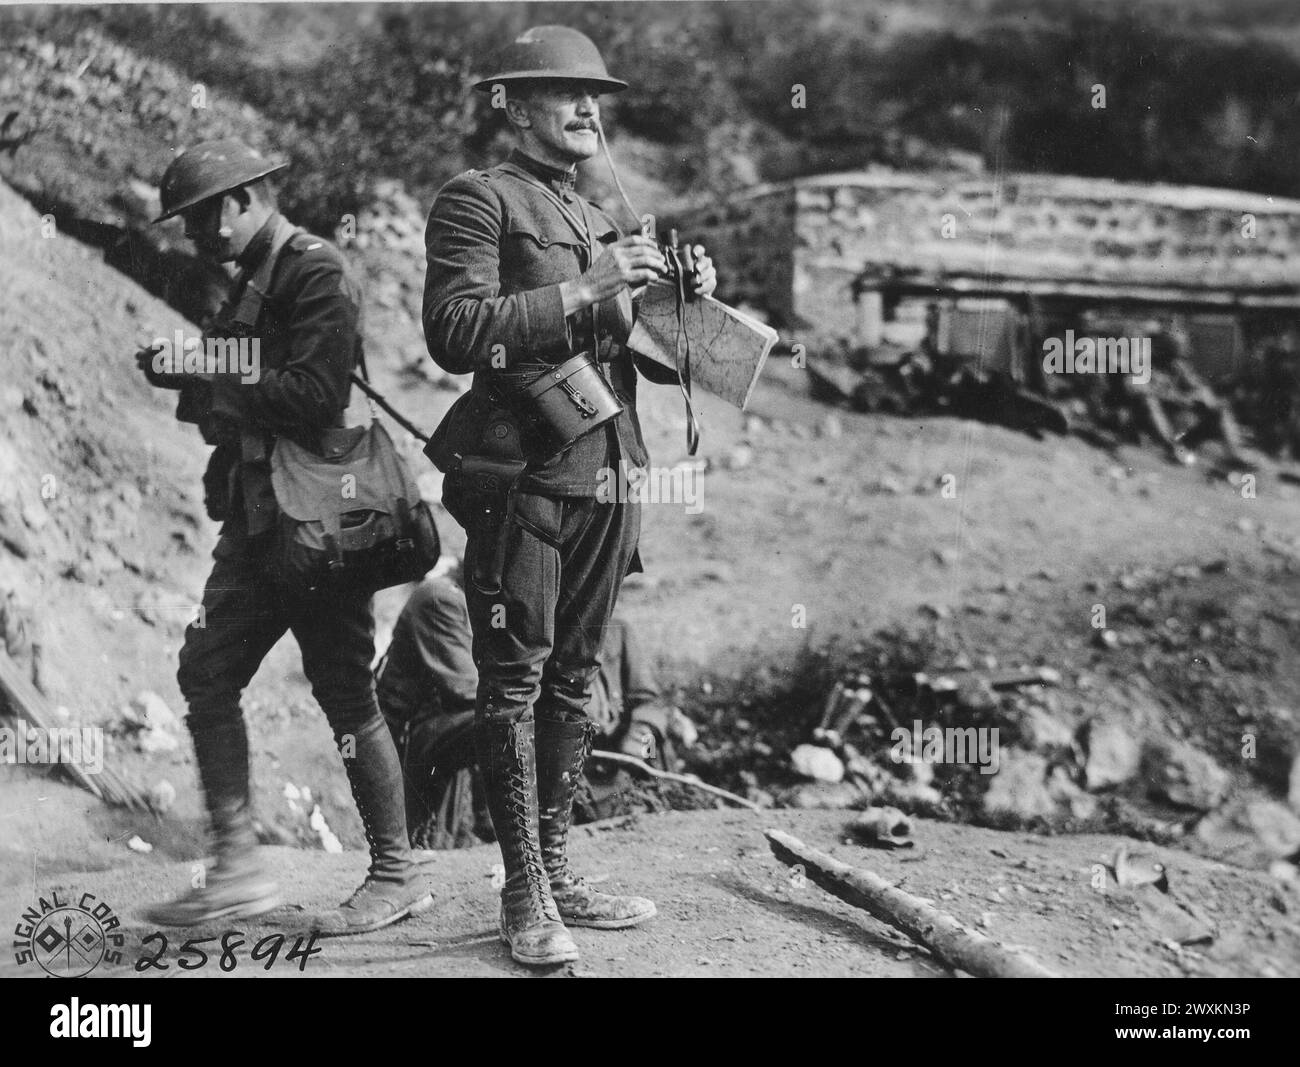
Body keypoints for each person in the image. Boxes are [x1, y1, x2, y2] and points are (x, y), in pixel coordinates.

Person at [422, 25, 717, 966]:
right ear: (512, 105)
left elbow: (642, 354)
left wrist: (682, 300)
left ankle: (562, 869)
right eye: (565, 93)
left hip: (609, 474)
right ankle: (522, 893)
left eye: (596, 95)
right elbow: (456, 329)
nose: (590, 108)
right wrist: (586, 289)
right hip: (523, 483)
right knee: (512, 679)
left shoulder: (594, 216)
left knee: (576, 677)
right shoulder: (479, 201)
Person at [137, 139, 431, 935]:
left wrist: (205, 376)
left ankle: (396, 872)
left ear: (242, 200)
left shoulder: (315, 269)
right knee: (207, 671)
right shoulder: (249, 281)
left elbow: (313, 391)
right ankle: (237, 871)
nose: (199, 239)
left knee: (342, 686)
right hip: (263, 519)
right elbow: (244, 387)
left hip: (320, 520)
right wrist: (186, 373)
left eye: (203, 221)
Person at [377, 563, 695, 850]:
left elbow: (649, 701)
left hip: (607, 766)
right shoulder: (514, 623)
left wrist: (638, 739)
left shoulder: (618, 631)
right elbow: (480, 695)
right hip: (472, 748)